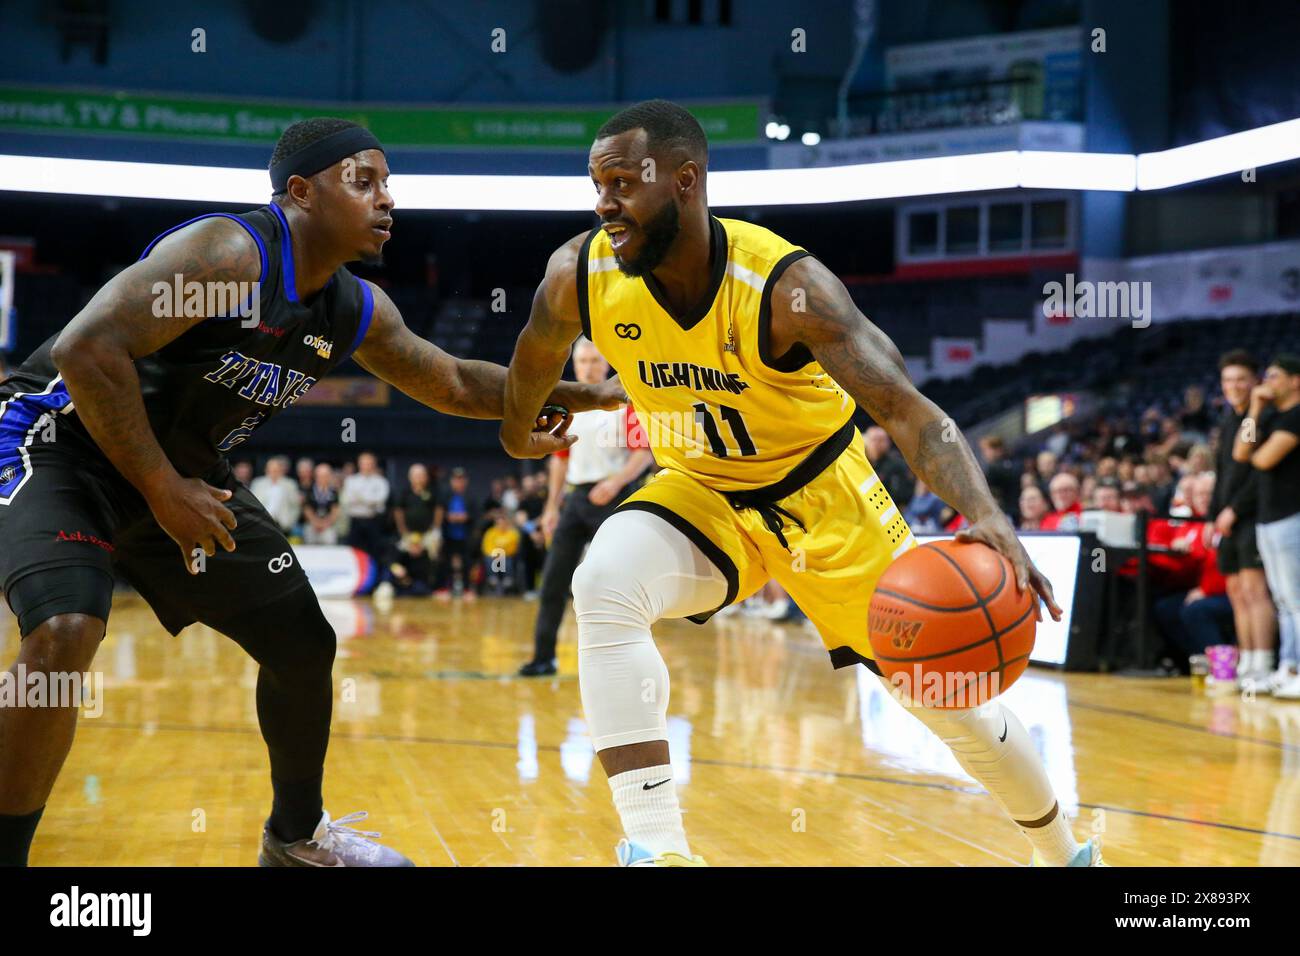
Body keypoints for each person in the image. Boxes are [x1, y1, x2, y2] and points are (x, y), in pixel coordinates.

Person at [0, 116, 619, 867]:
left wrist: (576, 394)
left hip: (181, 477)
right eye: (364, 182)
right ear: (300, 191)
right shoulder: (228, 255)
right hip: (60, 447)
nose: (386, 199)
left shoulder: (352, 306)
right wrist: (162, 488)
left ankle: (294, 840)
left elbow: (453, 379)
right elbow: (86, 347)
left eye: (387, 183)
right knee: (66, 630)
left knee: (301, 642)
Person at [499, 100, 1098, 868]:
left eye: (621, 184)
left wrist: (984, 512)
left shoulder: (787, 287)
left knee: (947, 701)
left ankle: (1065, 855)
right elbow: (528, 367)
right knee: (605, 582)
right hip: (702, 491)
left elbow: (910, 413)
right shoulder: (578, 274)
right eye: (597, 185)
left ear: (685, 181)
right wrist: (520, 434)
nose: (603, 204)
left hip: (823, 500)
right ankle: (659, 849)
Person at [519, 338, 654, 676]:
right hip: (577, 500)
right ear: (574, 364)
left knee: (619, 585)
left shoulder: (627, 400)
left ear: (606, 363)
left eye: (595, 360)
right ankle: (543, 658)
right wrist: (551, 507)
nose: (588, 366)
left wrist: (616, 482)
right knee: (553, 580)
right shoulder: (569, 407)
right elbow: (560, 461)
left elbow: (644, 453)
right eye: (582, 361)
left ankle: (627, 666)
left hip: (616, 496)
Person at [1233, 354, 1300, 698]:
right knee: (1283, 600)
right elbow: (1243, 450)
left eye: (1274, 376)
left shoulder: (1297, 416)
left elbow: (1262, 458)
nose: (1267, 382)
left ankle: (1296, 667)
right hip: (1269, 517)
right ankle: (1288, 667)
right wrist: (1255, 411)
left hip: (1292, 515)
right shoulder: (1272, 416)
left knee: (1296, 598)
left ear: (1295, 380)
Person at [1208, 351, 1276, 688]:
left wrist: (1236, 509)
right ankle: (1245, 662)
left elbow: (1257, 474)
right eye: (1228, 380)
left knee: (1254, 589)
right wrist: (1211, 517)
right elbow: (1222, 475)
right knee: (1235, 590)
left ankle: (1263, 663)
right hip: (1226, 519)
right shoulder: (1228, 422)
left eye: (1241, 380)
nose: (1233, 386)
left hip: (1251, 515)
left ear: (1256, 381)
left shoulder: (1262, 417)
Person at [340, 451, 390, 565]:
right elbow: (347, 500)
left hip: (373, 520)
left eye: (369, 463)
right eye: (364, 463)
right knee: (354, 552)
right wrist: (369, 500)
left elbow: (380, 500)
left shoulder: (381, 481)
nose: (366, 466)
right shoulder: (351, 480)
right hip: (355, 521)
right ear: (359, 464)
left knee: (375, 552)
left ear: (374, 464)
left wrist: (359, 497)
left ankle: (375, 581)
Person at [435, 467, 476, 599]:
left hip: (465, 535)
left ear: (466, 481)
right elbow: (440, 512)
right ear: (452, 481)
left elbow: (477, 515)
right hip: (448, 535)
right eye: (456, 480)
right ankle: (444, 588)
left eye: (461, 479)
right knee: (445, 563)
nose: (459, 482)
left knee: (466, 563)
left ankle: (467, 589)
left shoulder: (471, 496)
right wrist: (447, 518)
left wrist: (466, 517)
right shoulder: (445, 495)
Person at [250, 455, 303, 536]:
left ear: (281, 470)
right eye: (271, 469)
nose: (274, 471)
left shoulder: (290, 484)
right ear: (266, 469)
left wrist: (290, 522)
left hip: (284, 525)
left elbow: (296, 506)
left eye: (276, 469)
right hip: (262, 523)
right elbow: (252, 505)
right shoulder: (257, 483)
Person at [863, 425, 914, 509]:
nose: (877, 444)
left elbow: (904, 495)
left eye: (881, 440)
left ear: (888, 442)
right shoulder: (862, 463)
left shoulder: (897, 464)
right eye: (874, 440)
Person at [480, 509, 523, 595]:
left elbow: (514, 547)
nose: (500, 525)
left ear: (506, 523)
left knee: (507, 560)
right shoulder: (490, 532)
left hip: (507, 556)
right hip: (493, 556)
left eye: (502, 523)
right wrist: (496, 553)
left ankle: (508, 581)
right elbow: (486, 547)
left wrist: (501, 552)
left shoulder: (512, 533)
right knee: (490, 559)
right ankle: (493, 580)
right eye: (498, 523)